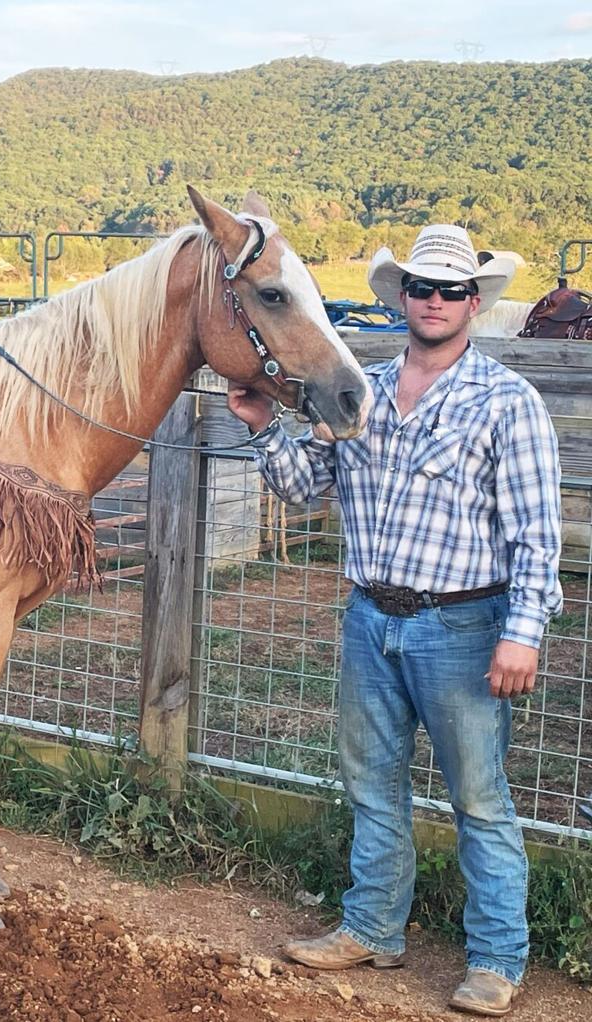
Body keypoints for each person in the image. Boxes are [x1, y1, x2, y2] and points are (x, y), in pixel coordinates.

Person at [229, 225, 563, 1017]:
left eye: (452, 290)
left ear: (474, 303)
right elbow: (304, 487)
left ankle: (495, 960)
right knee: (372, 788)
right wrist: (262, 425)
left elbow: (536, 532)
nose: (437, 300)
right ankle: (372, 928)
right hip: (370, 619)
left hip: (463, 627)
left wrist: (524, 631)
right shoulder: (359, 389)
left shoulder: (506, 401)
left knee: (480, 799)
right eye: (424, 287)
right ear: (403, 297)